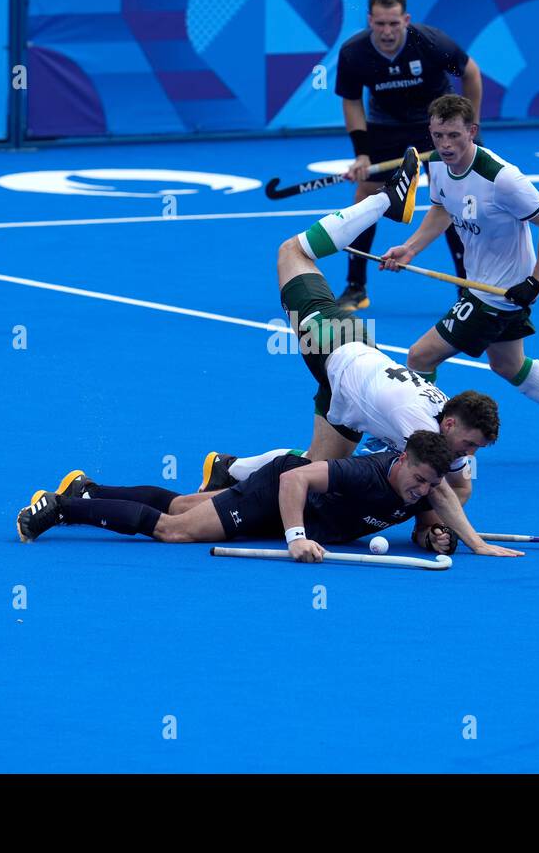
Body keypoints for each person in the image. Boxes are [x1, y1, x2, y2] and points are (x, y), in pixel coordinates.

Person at [196, 150, 522, 556]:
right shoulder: (418, 423)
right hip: (335, 345)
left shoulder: (445, 433)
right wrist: (474, 541)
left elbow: (458, 485)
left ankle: (227, 468)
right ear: (451, 424)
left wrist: (431, 531)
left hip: (352, 386)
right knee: (292, 253)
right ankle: (386, 199)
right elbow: (440, 492)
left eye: (474, 450)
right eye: (470, 445)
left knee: (314, 462)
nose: (468, 454)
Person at [380, 94, 539, 462]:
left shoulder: (502, 178)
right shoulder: (439, 166)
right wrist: (410, 248)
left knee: (420, 357)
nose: (445, 145)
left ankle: (414, 441)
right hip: (480, 282)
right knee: (508, 364)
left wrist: (535, 283)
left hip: (498, 295)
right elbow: (442, 209)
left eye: (454, 136)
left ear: (472, 132)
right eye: (438, 135)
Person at [15, 431, 521, 561]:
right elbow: (293, 480)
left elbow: (432, 515)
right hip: (278, 496)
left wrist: (440, 535)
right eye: (421, 479)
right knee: (173, 532)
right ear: (404, 458)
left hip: (284, 516)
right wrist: (297, 538)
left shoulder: (420, 487)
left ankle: (91, 488)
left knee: (179, 507)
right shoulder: (364, 472)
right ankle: (61, 509)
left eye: (433, 483)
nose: (424, 489)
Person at [333, 0, 483, 312]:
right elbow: (352, 101)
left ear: (406, 20)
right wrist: (361, 153)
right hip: (386, 125)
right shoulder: (354, 52)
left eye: (394, 24)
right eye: (380, 24)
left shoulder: (430, 42)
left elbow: (471, 73)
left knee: (455, 200)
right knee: (367, 195)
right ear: (370, 20)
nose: (387, 31)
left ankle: (468, 291)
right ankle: (355, 287)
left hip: (437, 122)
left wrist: (469, 127)